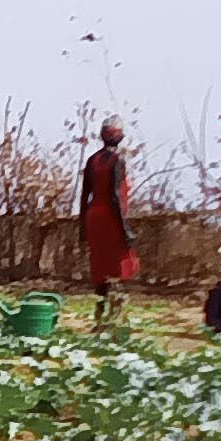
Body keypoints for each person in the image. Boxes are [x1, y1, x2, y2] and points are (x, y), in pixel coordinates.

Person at [80, 119, 138, 321]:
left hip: (93, 216)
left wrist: (82, 226)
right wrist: (125, 229)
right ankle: (115, 309)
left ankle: (100, 307)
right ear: (119, 137)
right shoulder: (117, 161)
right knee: (119, 262)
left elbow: (84, 194)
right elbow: (115, 197)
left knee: (99, 263)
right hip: (110, 218)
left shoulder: (91, 161)